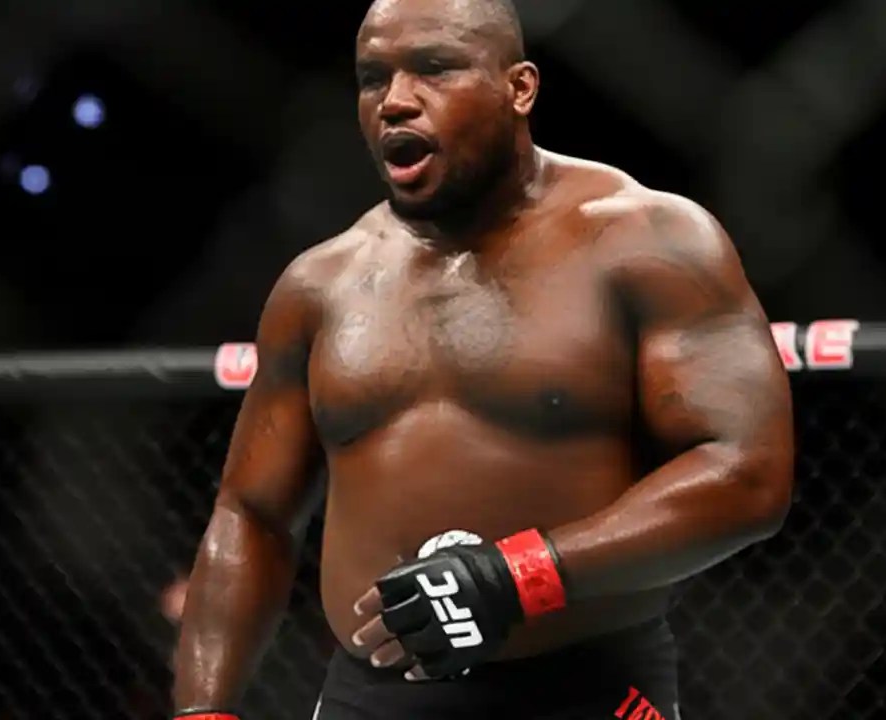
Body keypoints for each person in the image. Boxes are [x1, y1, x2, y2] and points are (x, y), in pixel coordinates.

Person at [171, 0, 795, 717]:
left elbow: (747, 475)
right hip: (372, 696)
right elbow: (251, 513)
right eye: (373, 78)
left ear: (519, 88)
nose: (396, 100)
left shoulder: (647, 241)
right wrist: (204, 711)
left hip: (583, 687)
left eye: (434, 68)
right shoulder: (322, 285)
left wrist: (518, 575)